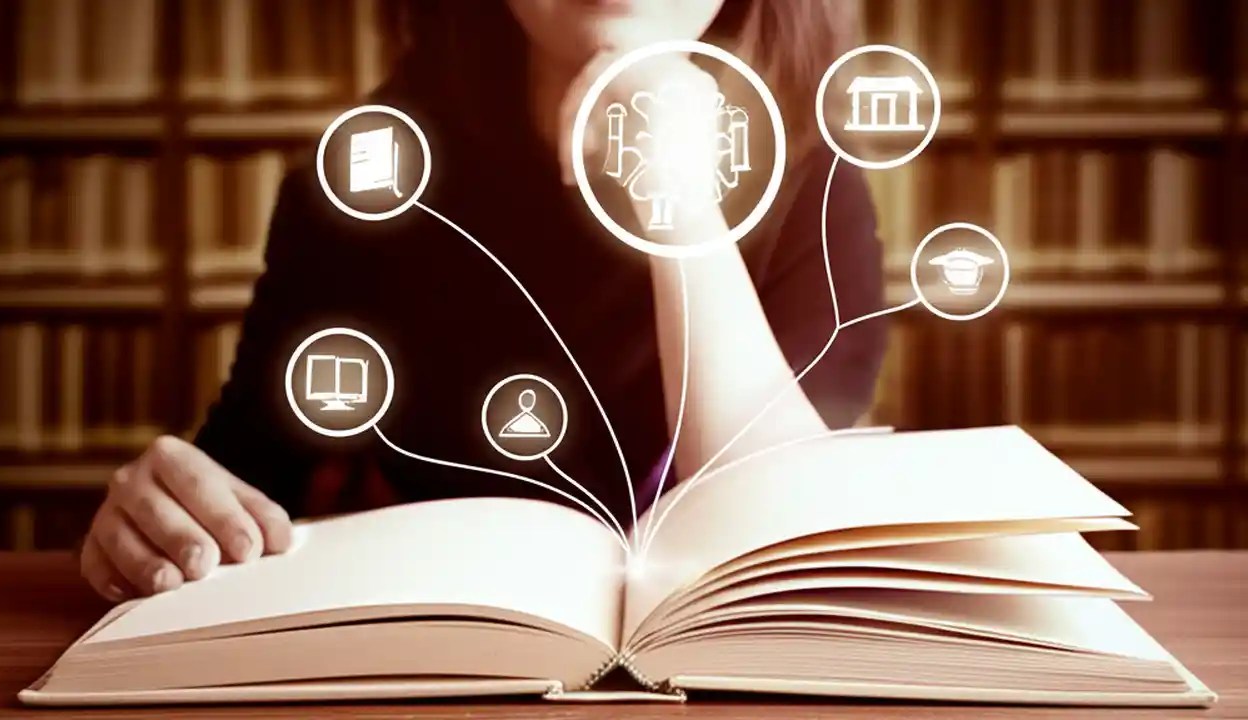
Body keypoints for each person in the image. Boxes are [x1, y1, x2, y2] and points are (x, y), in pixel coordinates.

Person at [79, 0, 888, 601]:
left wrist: (674, 188)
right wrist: (161, 517)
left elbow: (777, 525)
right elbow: (241, 490)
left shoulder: (813, 184)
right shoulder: (369, 177)